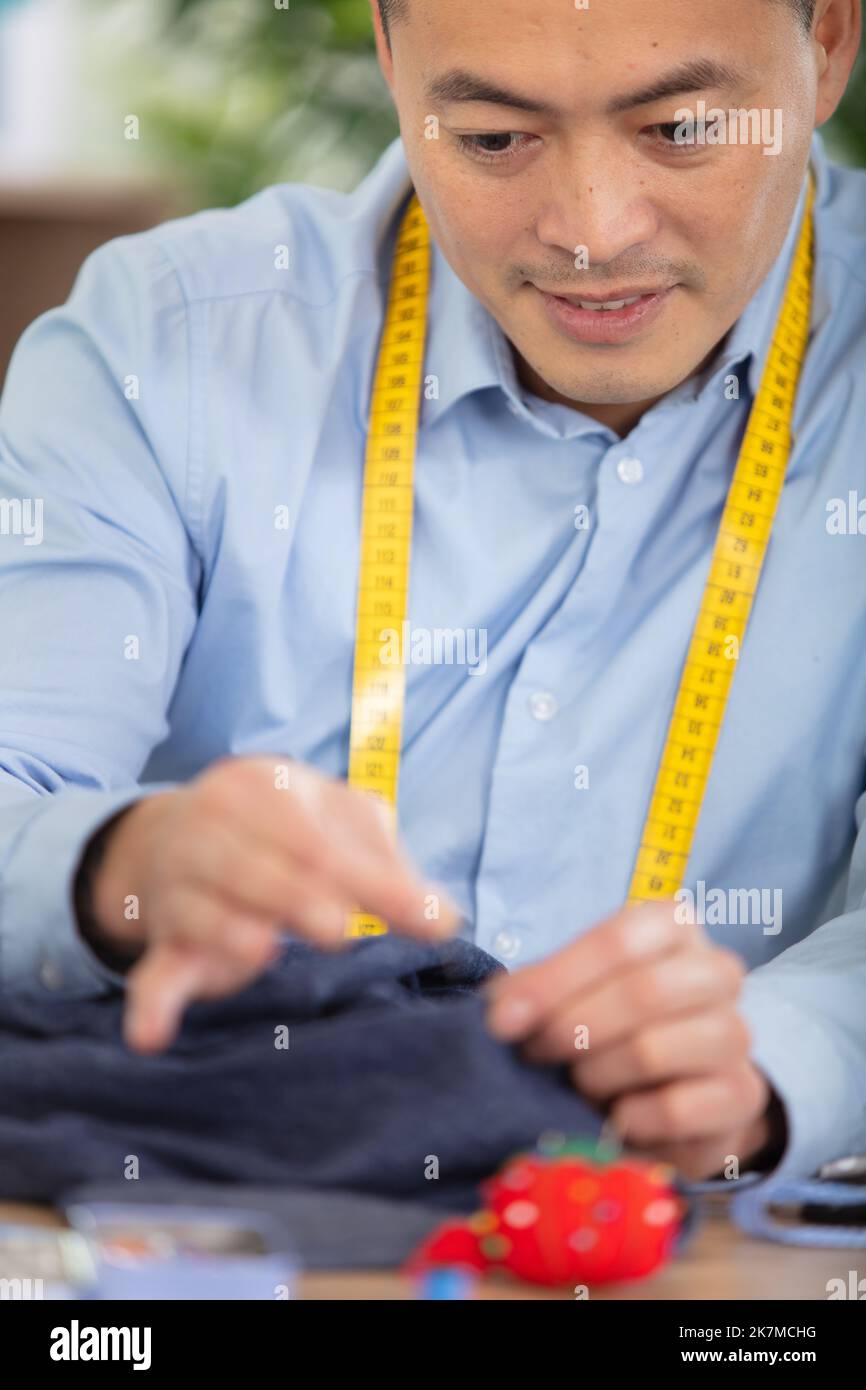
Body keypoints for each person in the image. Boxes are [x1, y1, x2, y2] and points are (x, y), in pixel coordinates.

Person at [0, 0, 863, 1182]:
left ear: (826, 46)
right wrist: (117, 867)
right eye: (495, 140)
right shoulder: (167, 349)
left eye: (680, 127)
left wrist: (774, 1062)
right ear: (391, 58)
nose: (589, 234)